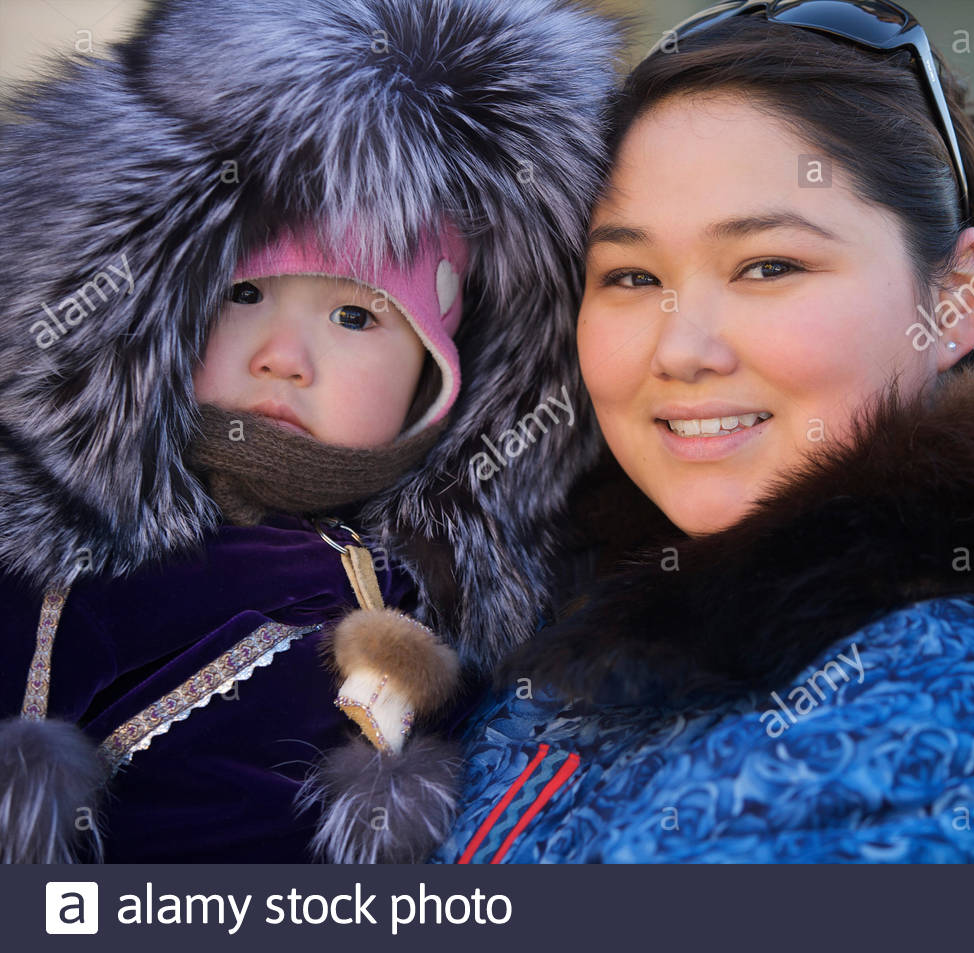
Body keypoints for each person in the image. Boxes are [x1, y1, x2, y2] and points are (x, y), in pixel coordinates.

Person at [428, 0, 974, 863]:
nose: (682, 348)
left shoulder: (960, 703)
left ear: (955, 296)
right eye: (628, 274)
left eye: (769, 265)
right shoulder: (571, 581)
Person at [0, 0, 625, 863]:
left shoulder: (456, 590)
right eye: (244, 296)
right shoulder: (59, 548)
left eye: (355, 316)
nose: (284, 356)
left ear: (437, 379)